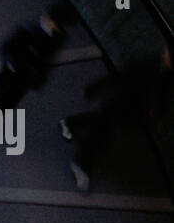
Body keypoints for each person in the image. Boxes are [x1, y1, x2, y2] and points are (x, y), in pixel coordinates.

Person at [59, 45, 173, 192]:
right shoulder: (148, 65)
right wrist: (96, 88)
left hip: (129, 110)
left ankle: (70, 124)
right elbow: (122, 76)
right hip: (122, 103)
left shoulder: (164, 73)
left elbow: (159, 94)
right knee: (101, 134)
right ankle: (81, 164)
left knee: (100, 122)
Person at [0, 2, 74, 109]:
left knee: (5, 105)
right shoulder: (30, 30)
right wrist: (14, 66)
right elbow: (7, 47)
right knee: (0, 104)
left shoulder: (55, 36)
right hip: (13, 77)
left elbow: (47, 59)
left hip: (23, 79)